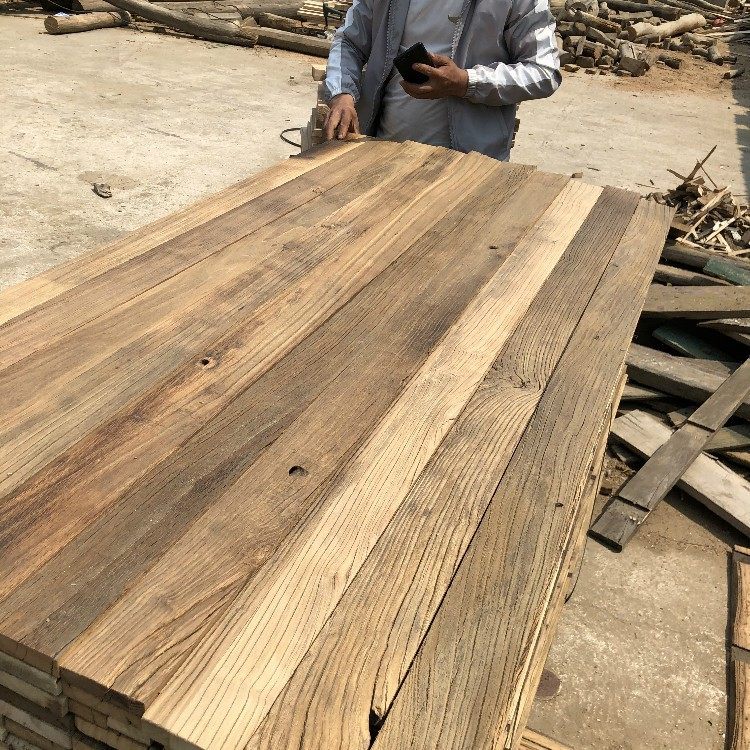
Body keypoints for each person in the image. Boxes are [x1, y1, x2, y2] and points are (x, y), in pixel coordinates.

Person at [323, 0, 561, 161]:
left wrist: (467, 82)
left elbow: (544, 70)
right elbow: (349, 41)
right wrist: (342, 93)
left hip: (471, 167)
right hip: (385, 152)